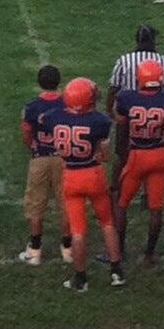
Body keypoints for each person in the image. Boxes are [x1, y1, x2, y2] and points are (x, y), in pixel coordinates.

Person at [40, 78, 124, 292]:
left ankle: (80, 279)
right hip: (93, 173)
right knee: (106, 223)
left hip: (71, 174)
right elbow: (105, 155)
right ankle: (116, 272)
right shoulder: (100, 121)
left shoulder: (53, 118)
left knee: (78, 231)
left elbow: (43, 123)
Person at [115, 60, 164, 266]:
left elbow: (122, 134)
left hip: (137, 153)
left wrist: (123, 157)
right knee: (156, 208)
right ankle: (149, 254)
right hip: (158, 152)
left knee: (122, 204)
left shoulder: (126, 98)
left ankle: (119, 250)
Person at [18, 65, 71, 266]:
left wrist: (34, 146)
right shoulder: (67, 104)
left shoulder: (32, 107)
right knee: (66, 202)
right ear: (59, 81)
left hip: (40, 157)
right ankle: (68, 248)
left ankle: (35, 249)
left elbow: (26, 133)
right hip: (63, 157)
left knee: (36, 203)